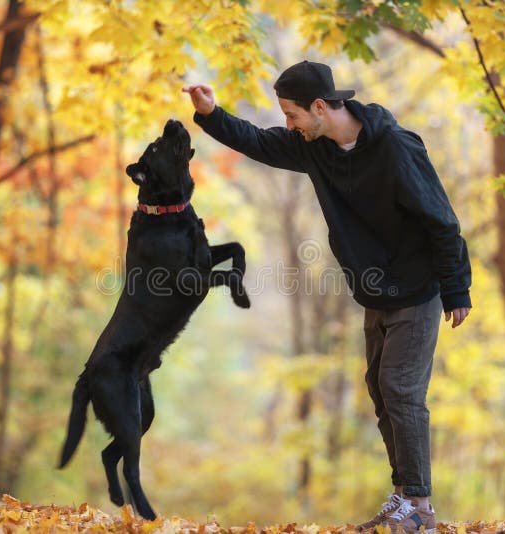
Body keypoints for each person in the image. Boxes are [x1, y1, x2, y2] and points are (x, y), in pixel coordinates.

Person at [183, 60, 471, 533]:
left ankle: (419, 506)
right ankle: (404, 497)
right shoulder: (315, 148)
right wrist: (211, 114)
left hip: (420, 288)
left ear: (320, 106)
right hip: (375, 290)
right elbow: (257, 141)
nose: (289, 125)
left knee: (401, 388)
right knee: (381, 389)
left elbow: (442, 220)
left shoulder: (396, 149)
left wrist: (456, 287)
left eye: (293, 115)